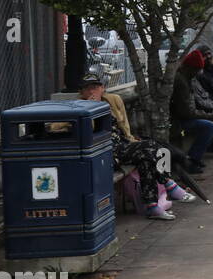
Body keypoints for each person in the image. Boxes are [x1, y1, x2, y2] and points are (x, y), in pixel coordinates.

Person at [79, 73, 196, 220]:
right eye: (87, 88)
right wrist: (90, 108)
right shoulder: (80, 108)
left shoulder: (112, 100)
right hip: (105, 152)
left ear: (102, 88)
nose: (92, 91)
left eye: (95, 87)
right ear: (81, 92)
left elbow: (125, 127)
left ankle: (152, 207)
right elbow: (87, 132)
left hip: (122, 145)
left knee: (148, 158)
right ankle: (169, 184)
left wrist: (131, 140)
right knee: (152, 146)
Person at [170, 50, 213, 174]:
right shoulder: (181, 82)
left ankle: (198, 155)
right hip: (179, 121)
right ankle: (192, 160)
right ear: (190, 68)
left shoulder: (188, 78)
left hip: (188, 116)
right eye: (197, 70)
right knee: (211, 126)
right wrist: (209, 116)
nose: (198, 73)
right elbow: (186, 113)